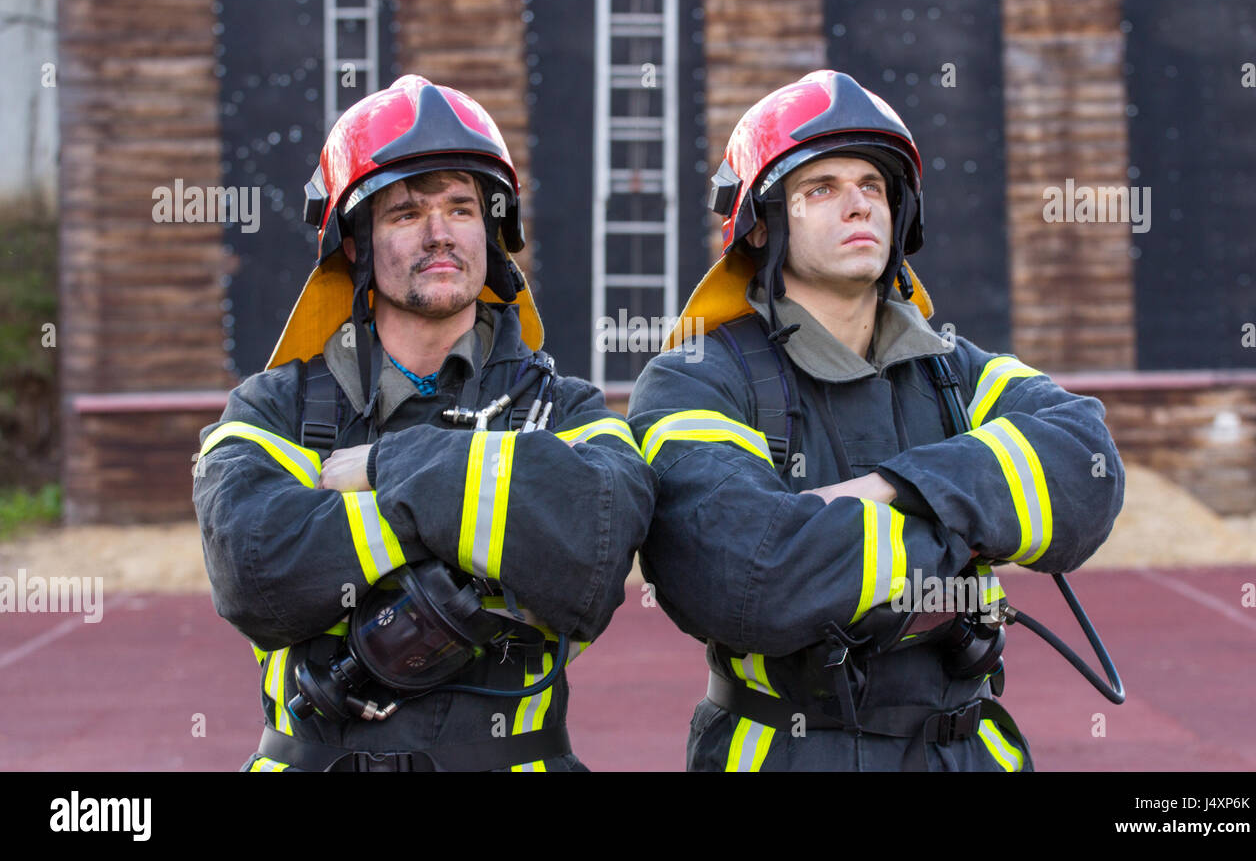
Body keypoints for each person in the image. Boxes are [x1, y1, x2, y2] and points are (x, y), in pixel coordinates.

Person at [627, 69, 1125, 771]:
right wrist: (972, 527)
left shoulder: (957, 370)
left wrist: (889, 488)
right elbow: (748, 575)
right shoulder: (696, 378)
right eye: (820, 189)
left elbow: (1087, 473)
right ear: (762, 224)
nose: (858, 205)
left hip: (972, 754)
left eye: (872, 185)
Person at [194, 74, 655, 772]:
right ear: (355, 243)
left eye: (461, 209)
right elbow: (256, 573)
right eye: (407, 213)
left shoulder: (569, 409)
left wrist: (389, 472)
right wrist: (491, 510)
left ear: (493, 231)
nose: (440, 234)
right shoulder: (273, 407)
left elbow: (587, 560)